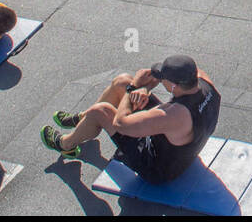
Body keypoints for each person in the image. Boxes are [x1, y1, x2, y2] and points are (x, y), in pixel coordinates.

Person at [40, 55, 221, 183]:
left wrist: (135, 87)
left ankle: (65, 145)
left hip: (157, 167)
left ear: (173, 86)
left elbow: (121, 124)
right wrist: (142, 87)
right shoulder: (203, 82)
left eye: (162, 79)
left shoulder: (175, 115)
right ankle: (83, 120)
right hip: (178, 142)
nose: (159, 80)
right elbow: (174, 82)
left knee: (101, 111)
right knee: (122, 81)